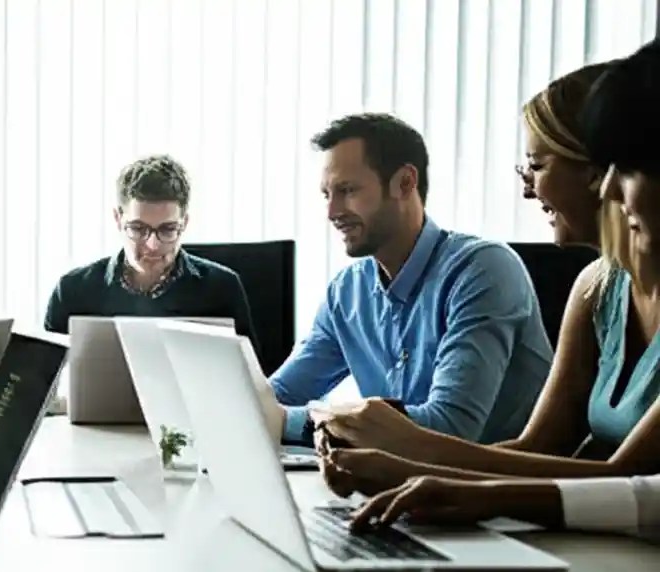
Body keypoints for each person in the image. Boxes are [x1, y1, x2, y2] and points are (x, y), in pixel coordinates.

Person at [346, 44, 660, 540]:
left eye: (536, 165)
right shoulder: (597, 288)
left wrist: (417, 454)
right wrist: (410, 469)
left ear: (594, 167)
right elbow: (541, 449)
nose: (527, 190)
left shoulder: (481, 267)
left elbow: (630, 481)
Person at [265, 113, 552, 446]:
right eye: (327, 195)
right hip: (400, 482)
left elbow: (449, 428)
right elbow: (274, 398)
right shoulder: (346, 293)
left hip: (494, 488)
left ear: (404, 182)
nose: (332, 212)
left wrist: (300, 420)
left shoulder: (483, 270)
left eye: (347, 190)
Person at [42, 154, 258, 351]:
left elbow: (251, 384)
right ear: (118, 219)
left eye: (168, 229)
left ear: (184, 224)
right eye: (138, 229)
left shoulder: (222, 289)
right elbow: (45, 386)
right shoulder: (72, 292)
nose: (152, 245)